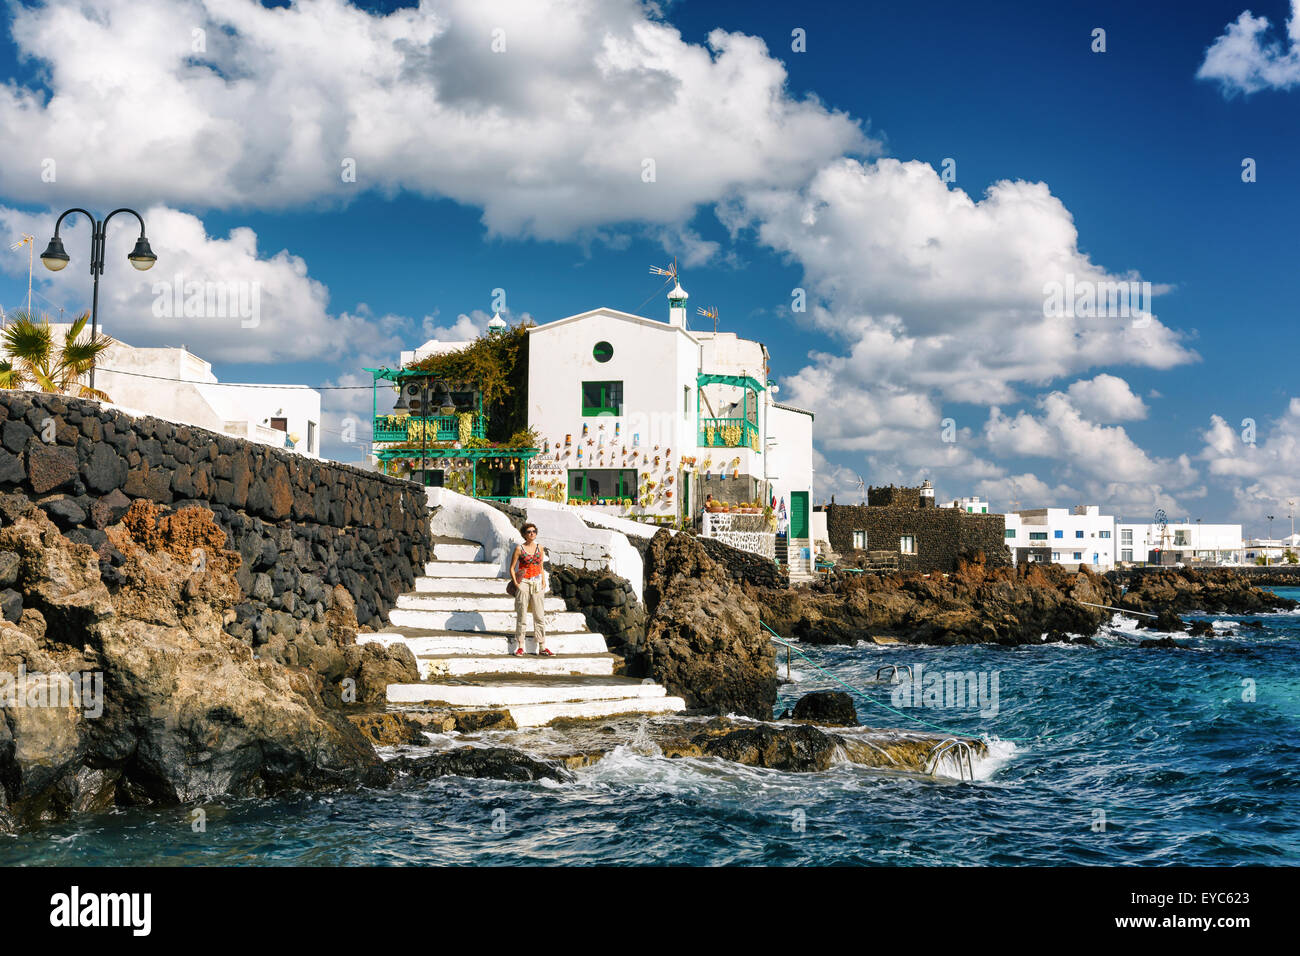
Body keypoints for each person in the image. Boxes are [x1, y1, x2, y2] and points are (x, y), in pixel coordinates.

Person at [509, 522, 552, 656]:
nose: (532, 533)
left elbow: (540, 565)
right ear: (524, 534)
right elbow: (512, 567)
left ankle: (542, 646)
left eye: (533, 531)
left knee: (539, 615)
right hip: (524, 582)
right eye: (529, 531)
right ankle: (521, 645)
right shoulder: (519, 549)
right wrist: (516, 583)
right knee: (522, 615)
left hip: (537, 582)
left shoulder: (540, 548)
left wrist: (544, 581)